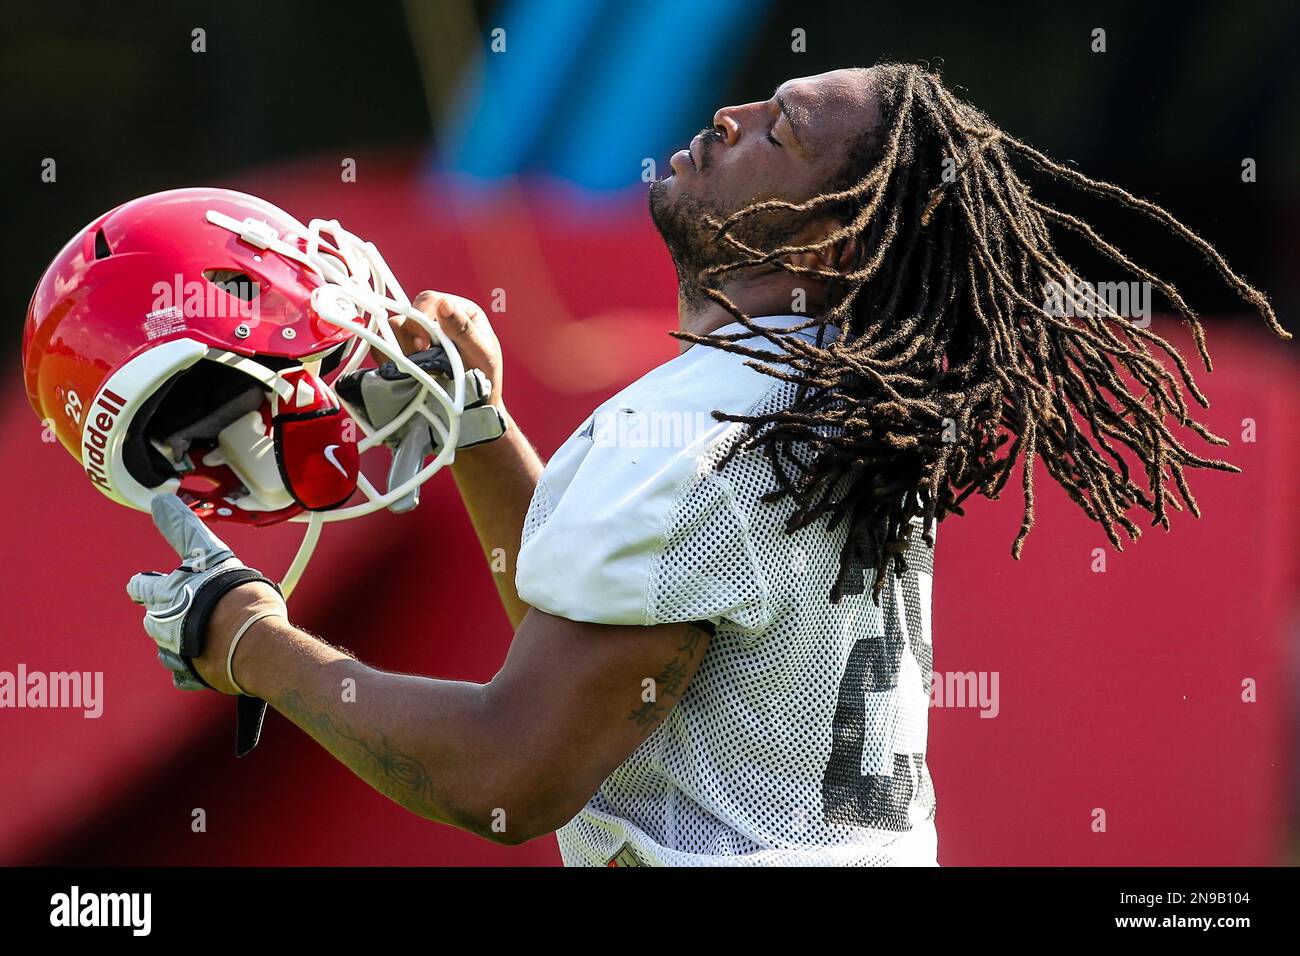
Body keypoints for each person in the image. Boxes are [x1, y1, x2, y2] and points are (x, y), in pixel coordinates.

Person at [127, 63, 1287, 866]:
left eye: (778, 131)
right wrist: (474, 424)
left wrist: (252, 644)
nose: (728, 116)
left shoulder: (697, 440)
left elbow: (509, 776)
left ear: (835, 238)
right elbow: (594, 635)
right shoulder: (835, 403)